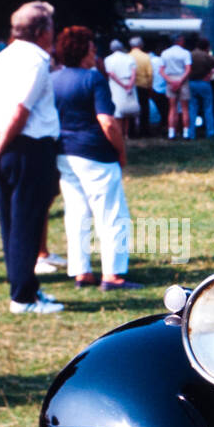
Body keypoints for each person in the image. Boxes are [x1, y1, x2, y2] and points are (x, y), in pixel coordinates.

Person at [0, 0, 64, 314]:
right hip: (28, 148)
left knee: (13, 223)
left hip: (5, 145)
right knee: (26, 223)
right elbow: (20, 110)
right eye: (51, 27)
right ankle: (23, 298)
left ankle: (27, 289)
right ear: (41, 31)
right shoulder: (35, 61)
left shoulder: (1, 58)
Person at [50, 26, 140, 291]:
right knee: (111, 214)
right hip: (96, 154)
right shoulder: (93, 79)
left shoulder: (53, 79)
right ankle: (112, 275)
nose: (95, 53)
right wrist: (121, 152)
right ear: (82, 51)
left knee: (76, 213)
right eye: (91, 48)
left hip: (65, 153)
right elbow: (107, 122)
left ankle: (81, 272)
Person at [103, 39, 140, 131]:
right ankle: (126, 133)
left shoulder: (108, 59)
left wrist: (123, 85)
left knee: (118, 109)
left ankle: (118, 131)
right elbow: (134, 72)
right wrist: (130, 84)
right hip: (129, 82)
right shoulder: (129, 58)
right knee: (128, 108)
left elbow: (111, 74)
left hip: (116, 85)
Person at [160, 33, 192, 139]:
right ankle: (186, 132)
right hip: (182, 79)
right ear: (180, 41)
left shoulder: (165, 53)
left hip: (170, 79)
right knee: (184, 108)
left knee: (172, 108)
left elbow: (161, 70)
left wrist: (170, 81)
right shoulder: (185, 53)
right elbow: (188, 69)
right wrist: (180, 81)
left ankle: (171, 132)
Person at [189, 37, 214, 138]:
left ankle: (191, 133)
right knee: (208, 108)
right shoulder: (206, 55)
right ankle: (210, 132)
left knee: (192, 109)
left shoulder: (190, 54)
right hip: (204, 83)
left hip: (191, 83)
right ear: (206, 47)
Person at [128, 36, 155, 136]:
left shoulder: (127, 56)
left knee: (131, 109)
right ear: (141, 45)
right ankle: (144, 131)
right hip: (143, 86)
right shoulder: (146, 57)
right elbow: (150, 73)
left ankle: (131, 131)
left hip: (131, 86)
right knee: (144, 109)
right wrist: (150, 86)